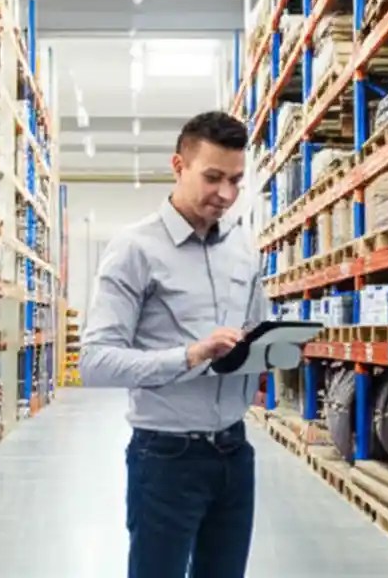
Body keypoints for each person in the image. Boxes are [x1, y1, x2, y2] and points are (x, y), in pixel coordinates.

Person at [79, 110, 267, 578]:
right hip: (166, 459)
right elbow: (95, 362)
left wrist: (271, 349)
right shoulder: (134, 249)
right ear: (178, 166)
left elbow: (256, 332)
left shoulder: (243, 250)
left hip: (234, 453)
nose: (225, 194)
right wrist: (190, 355)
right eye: (213, 177)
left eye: (236, 181)